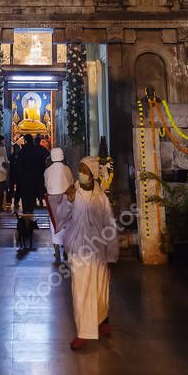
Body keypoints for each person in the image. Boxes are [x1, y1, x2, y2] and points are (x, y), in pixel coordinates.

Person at [55, 156, 118, 350]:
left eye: (85, 171)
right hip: (79, 249)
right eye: (80, 170)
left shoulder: (101, 197)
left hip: (98, 248)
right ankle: (84, 332)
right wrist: (67, 200)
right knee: (81, 289)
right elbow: (61, 215)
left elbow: (109, 223)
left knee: (100, 287)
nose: (81, 174)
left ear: (92, 174)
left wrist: (112, 251)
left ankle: (102, 320)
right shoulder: (73, 192)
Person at [44, 147, 74, 263]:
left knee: (54, 223)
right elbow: (71, 183)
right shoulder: (67, 169)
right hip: (65, 198)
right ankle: (66, 248)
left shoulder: (47, 170)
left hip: (52, 200)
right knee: (66, 223)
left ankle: (56, 247)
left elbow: (46, 185)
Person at [16, 135, 38, 213]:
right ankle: (31, 208)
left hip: (24, 175)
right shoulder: (35, 149)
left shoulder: (23, 150)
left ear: (25, 140)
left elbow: (19, 163)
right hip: (33, 175)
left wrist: (19, 175)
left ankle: (25, 209)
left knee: (25, 193)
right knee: (32, 192)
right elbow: (38, 164)